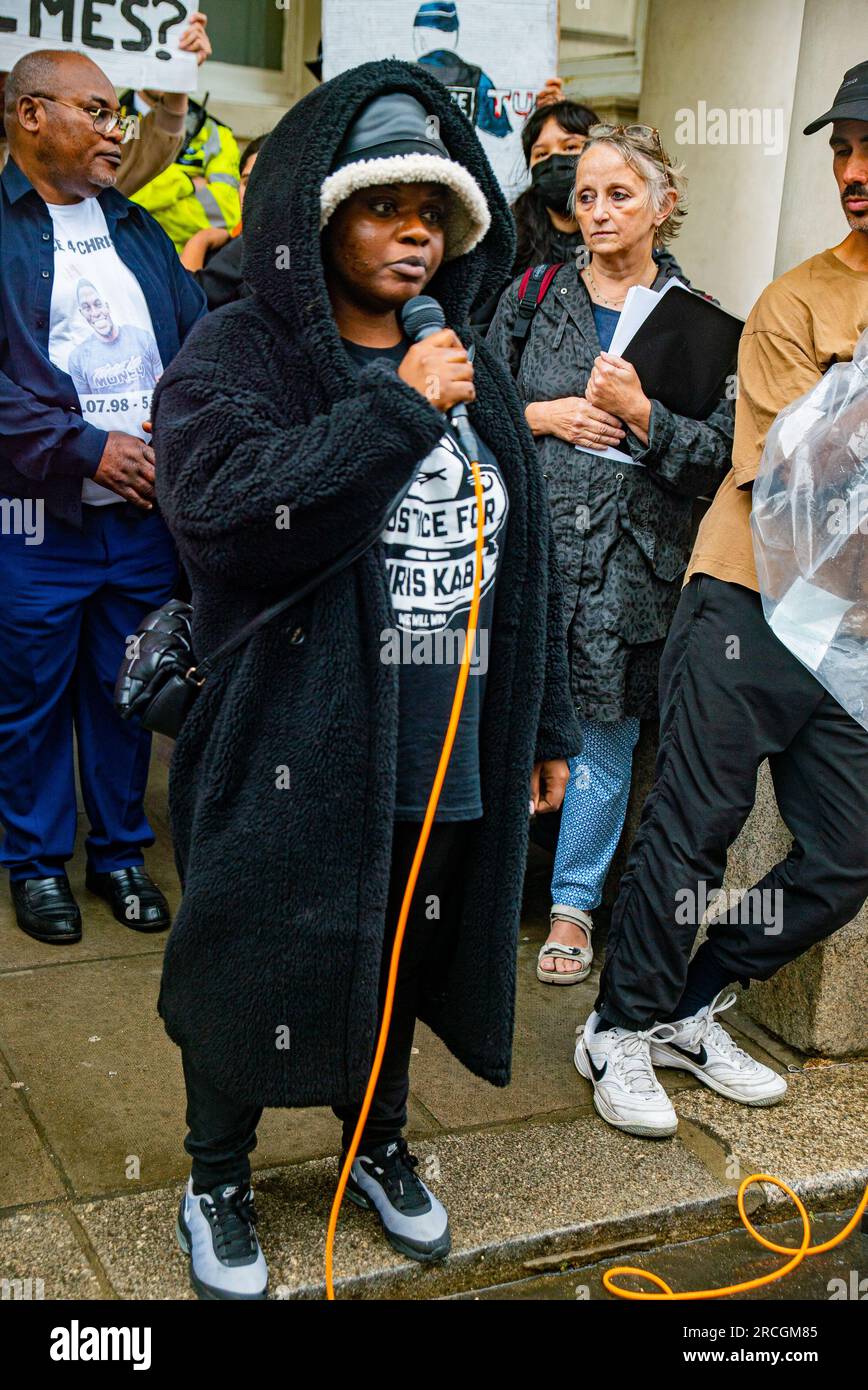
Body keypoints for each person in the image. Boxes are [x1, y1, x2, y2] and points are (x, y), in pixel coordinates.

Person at [151, 59, 580, 1301]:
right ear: (315, 217)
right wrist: (393, 409)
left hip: (439, 730)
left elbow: (524, 556)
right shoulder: (240, 352)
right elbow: (225, 512)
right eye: (384, 207)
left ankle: (375, 1141)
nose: (414, 234)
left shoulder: (457, 351)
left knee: (396, 948)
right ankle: (215, 1175)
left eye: (433, 212)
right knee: (250, 948)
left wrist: (541, 718)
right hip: (293, 727)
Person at [577, 62, 868, 1139]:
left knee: (845, 853)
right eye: (841, 148)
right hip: (751, 596)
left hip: (851, 629)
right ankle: (619, 1022)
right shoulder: (798, 301)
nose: (851, 170)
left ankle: (692, 997)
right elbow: (803, 479)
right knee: (694, 822)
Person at [487, 125, 733, 986]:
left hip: (633, 565)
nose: (598, 211)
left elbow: (725, 453)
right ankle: (482, 889)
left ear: (663, 206)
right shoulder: (531, 293)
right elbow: (468, 407)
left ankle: (572, 907)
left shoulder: (699, 323)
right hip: (529, 547)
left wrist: (644, 415)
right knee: (504, 712)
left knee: (602, 733)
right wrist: (541, 417)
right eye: (586, 195)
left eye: (620, 195)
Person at [0, 51, 206, 945]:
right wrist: (83, 448)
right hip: (36, 526)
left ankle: (121, 854)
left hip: (143, 523)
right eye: (96, 110)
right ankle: (37, 865)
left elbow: (198, 346)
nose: (116, 127)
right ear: (31, 115)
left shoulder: (138, 230)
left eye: (119, 112)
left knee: (133, 694)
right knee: (30, 700)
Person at [0, 11, 213, 198]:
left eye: (110, 116)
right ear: (30, 112)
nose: (116, 133)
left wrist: (179, 70)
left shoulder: (92, 178)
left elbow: (155, 139)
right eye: (95, 112)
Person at [121, 85, 240, 253]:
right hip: (126, 256)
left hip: (189, 268)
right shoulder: (106, 122)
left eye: (173, 59)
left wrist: (143, 201)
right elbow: (108, 202)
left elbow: (225, 217)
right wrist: (187, 182)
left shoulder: (216, 134)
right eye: (158, 58)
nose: (166, 68)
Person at [180, 134, 267, 310]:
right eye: (247, 182)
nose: (252, 193)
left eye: (265, 181)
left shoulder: (260, 240)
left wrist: (199, 240)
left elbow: (186, 299)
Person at [413, 1, 511, 138]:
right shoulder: (477, 78)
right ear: (455, 36)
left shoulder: (406, 75)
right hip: (461, 157)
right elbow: (500, 129)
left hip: (419, 156)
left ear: (420, 37)